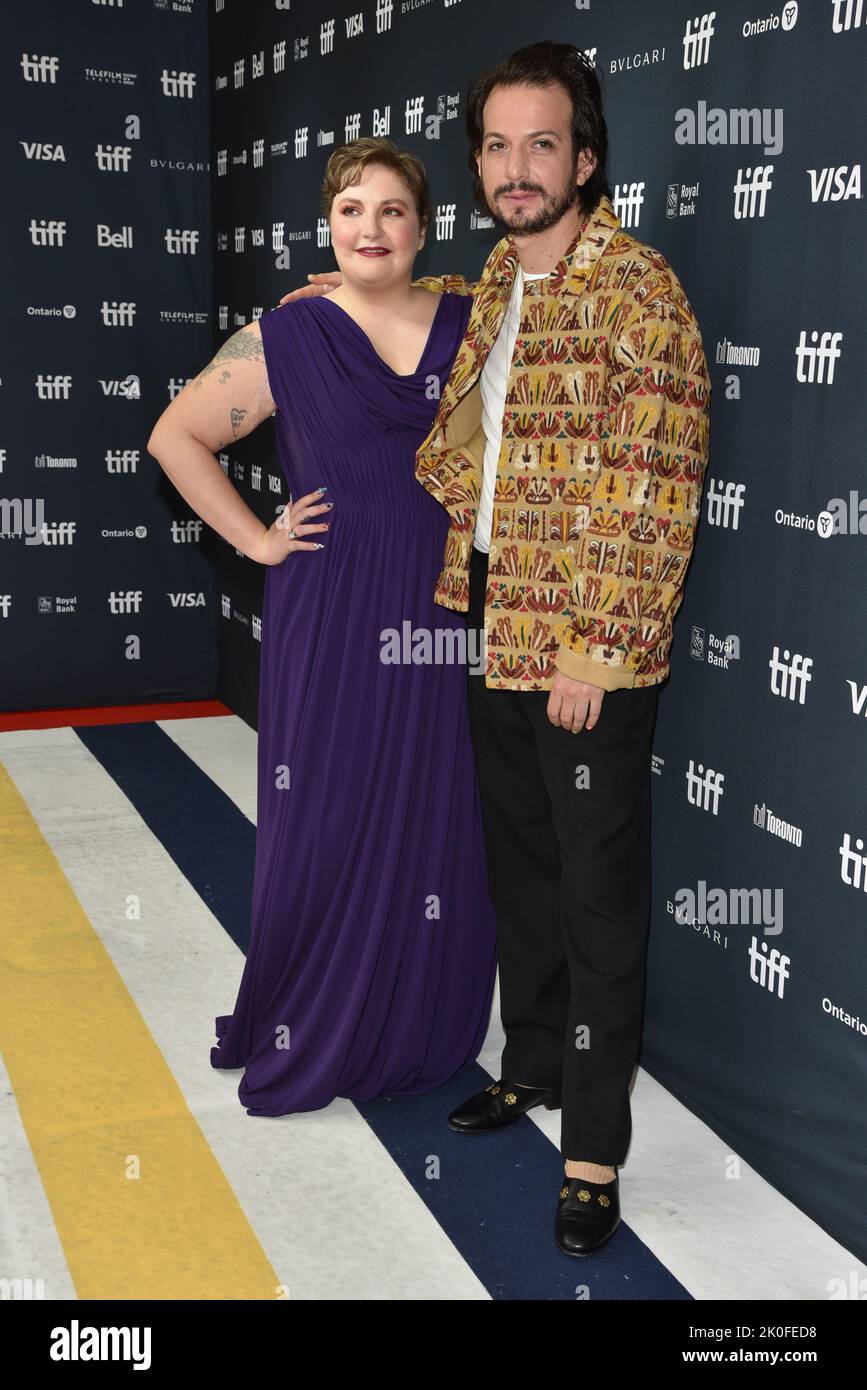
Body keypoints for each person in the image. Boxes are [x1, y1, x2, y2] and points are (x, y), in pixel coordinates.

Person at [282, 42, 711, 1255]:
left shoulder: (637, 289)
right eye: (497, 146)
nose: (518, 168)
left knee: (594, 895)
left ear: (586, 157)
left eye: (542, 144)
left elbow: (656, 484)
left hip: (586, 653)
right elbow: (419, 361)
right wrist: (333, 292)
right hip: (495, 629)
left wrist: (595, 649)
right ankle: (528, 1065)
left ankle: (591, 1151)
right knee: (522, 874)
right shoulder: (496, 290)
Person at [147, 138, 497, 1117]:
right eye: (352, 210)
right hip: (330, 613)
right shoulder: (290, 334)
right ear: (326, 225)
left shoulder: (474, 324)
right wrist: (257, 539)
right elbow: (176, 435)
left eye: (392, 211)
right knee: (326, 819)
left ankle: (417, 1022)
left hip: (438, 618)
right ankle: (312, 1019)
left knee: (436, 819)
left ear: (422, 230)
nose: (370, 229)